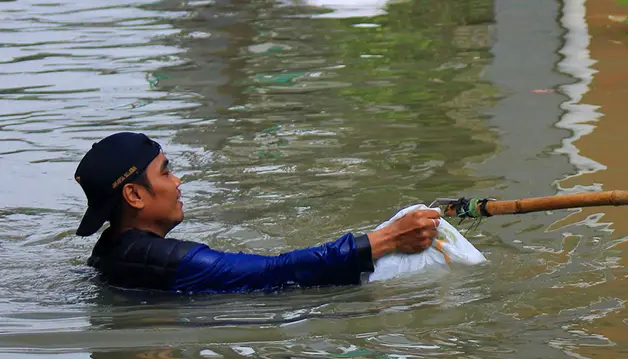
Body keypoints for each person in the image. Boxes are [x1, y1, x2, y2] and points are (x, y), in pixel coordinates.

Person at [75, 132, 442, 293]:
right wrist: (386, 239)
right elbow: (274, 273)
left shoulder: (111, 250)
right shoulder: (162, 259)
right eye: (166, 171)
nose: (178, 180)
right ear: (135, 195)